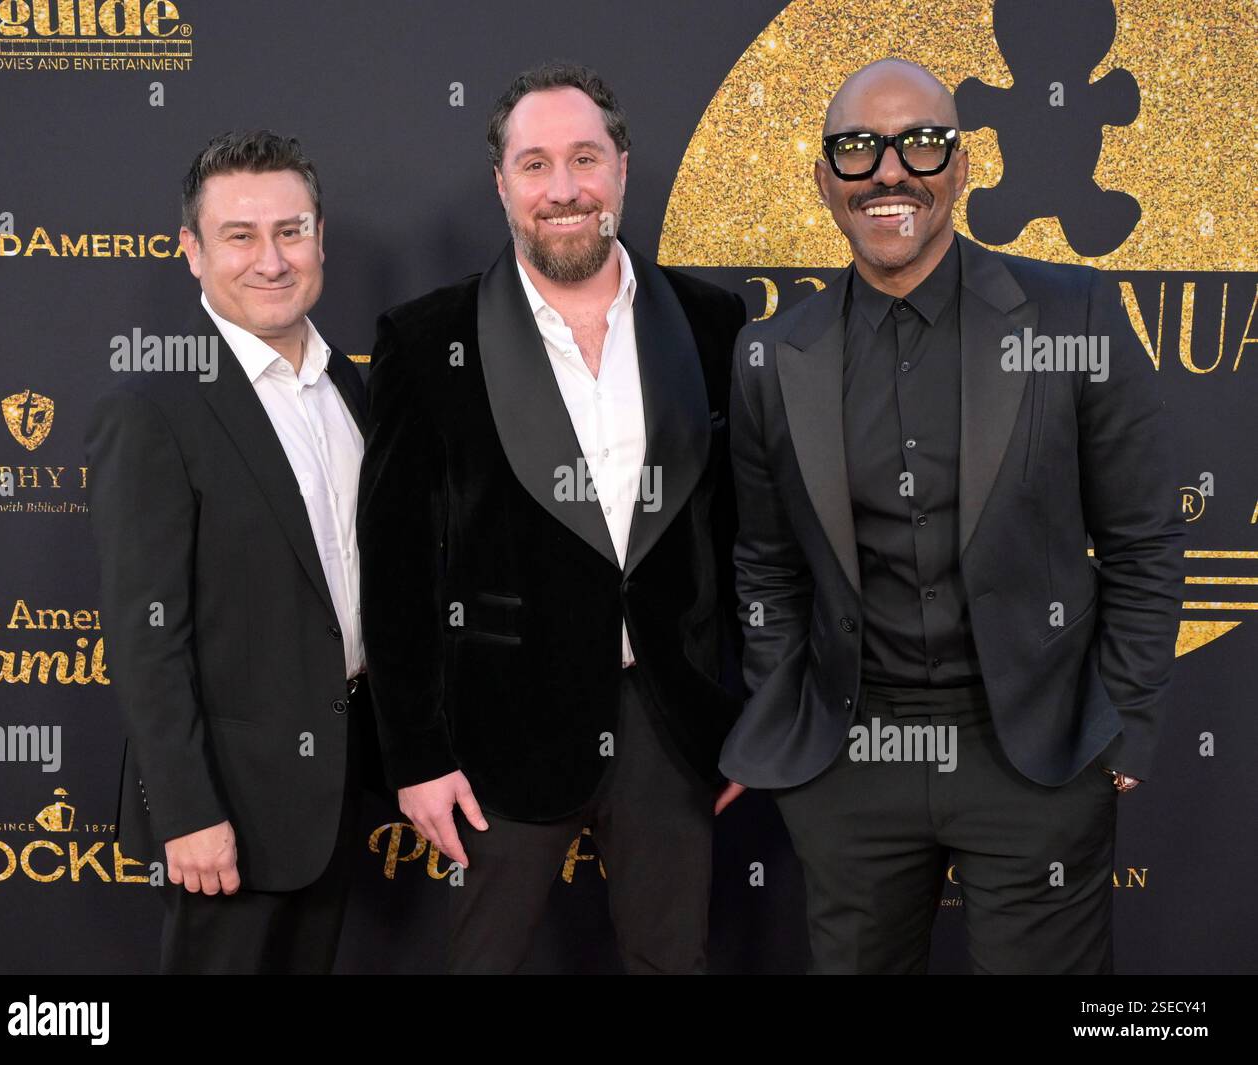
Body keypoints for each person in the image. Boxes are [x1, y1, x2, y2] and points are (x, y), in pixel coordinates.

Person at [719, 58, 1184, 974]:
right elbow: (766, 560)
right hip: (853, 758)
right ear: (824, 180)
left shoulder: (1072, 313)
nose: (890, 171)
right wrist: (795, 729)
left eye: (920, 144)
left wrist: (1119, 721)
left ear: (960, 168)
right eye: (858, 149)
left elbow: (1143, 538)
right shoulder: (773, 355)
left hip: (1036, 755)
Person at [357, 62, 745, 973]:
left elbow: (747, 539)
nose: (563, 189)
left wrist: (751, 716)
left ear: (622, 168)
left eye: (584, 158)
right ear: (501, 183)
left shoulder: (711, 323)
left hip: (669, 724)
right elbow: (398, 566)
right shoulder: (425, 341)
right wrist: (415, 754)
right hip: (500, 729)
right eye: (535, 165)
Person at [86, 130, 379, 973]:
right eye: (239, 236)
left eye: (290, 231)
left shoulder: (346, 386)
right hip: (226, 807)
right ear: (192, 251)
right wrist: (186, 813)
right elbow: (146, 638)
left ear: (320, 237)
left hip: (331, 785)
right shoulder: (153, 407)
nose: (272, 260)